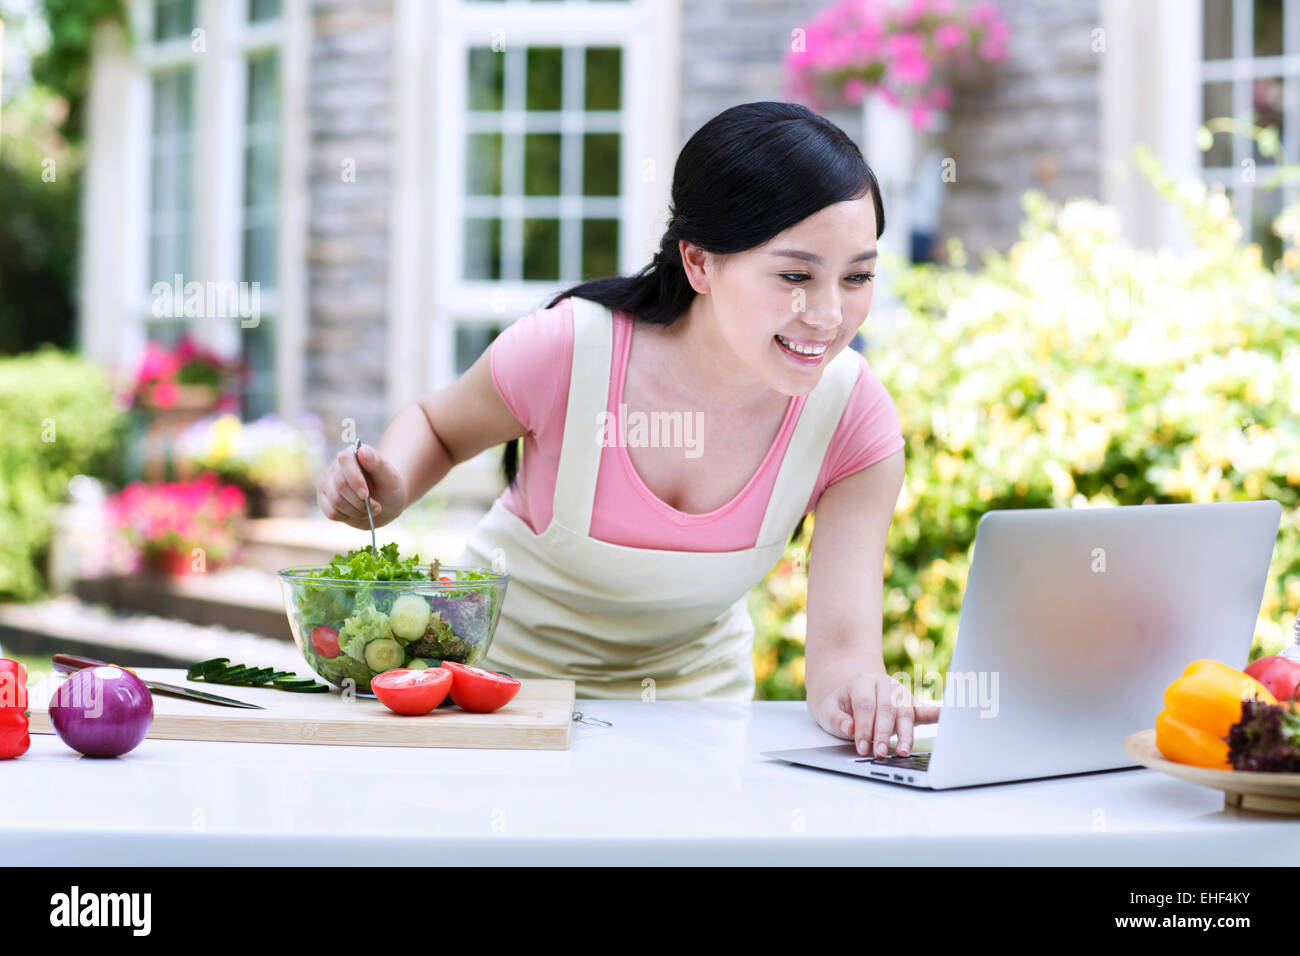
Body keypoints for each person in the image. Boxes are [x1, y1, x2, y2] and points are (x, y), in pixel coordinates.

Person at [316, 101, 940, 759]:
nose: (829, 314)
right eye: (794, 275)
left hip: (695, 728)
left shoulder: (853, 418)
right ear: (699, 263)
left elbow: (844, 659)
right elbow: (439, 429)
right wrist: (390, 486)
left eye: (859, 276)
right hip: (493, 702)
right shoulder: (569, 352)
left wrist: (865, 698)